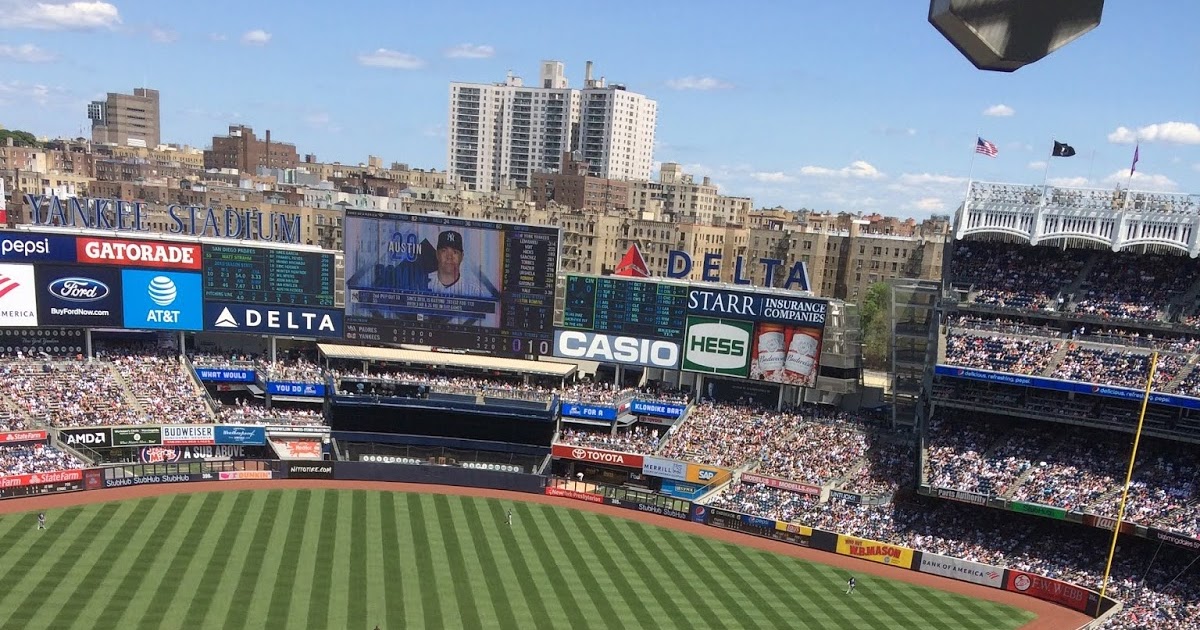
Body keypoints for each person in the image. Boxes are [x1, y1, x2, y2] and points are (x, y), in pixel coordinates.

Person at [426, 230, 487, 298]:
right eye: (444, 251)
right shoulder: (422, 283)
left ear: (462, 256)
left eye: (455, 252)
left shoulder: (474, 291)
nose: (449, 257)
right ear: (437, 254)